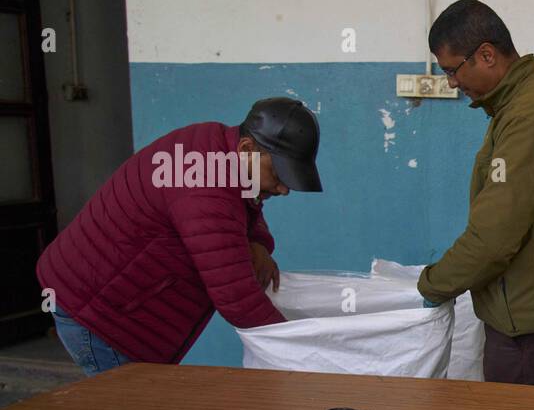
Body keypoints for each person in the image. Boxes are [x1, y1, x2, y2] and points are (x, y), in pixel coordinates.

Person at [36, 97, 322, 375]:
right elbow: (238, 298)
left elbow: (244, 205)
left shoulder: (219, 149)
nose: (284, 189)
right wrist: (306, 354)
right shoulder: (203, 186)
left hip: (116, 306)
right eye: (280, 174)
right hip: (99, 316)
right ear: (246, 147)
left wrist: (258, 241)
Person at [417, 0, 534, 387]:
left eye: (452, 70)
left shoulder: (530, 116)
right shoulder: (523, 101)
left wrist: (432, 284)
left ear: (485, 55)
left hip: (532, 327)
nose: (451, 83)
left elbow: (494, 238)